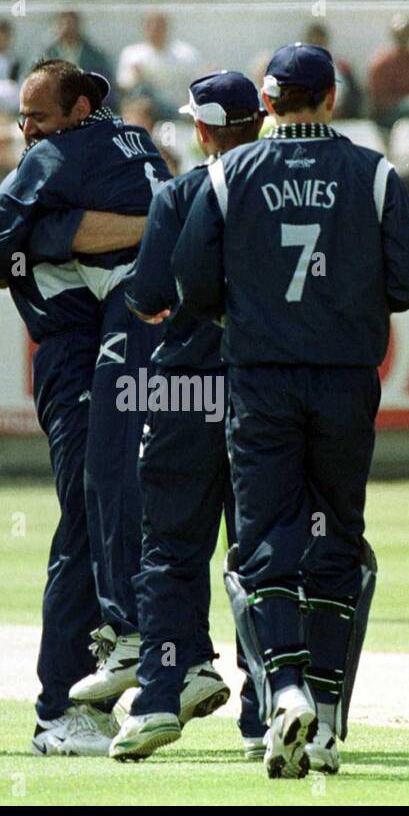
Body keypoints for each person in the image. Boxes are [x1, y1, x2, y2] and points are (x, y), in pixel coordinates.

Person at [173, 44, 409, 778]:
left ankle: (284, 687)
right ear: (332, 98)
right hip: (346, 381)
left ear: (268, 100)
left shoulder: (227, 172)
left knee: (263, 541)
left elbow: (191, 286)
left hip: (260, 379)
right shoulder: (374, 171)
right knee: (337, 541)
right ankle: (323, 706)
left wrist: (252, 316)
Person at [0, 61, 166, 756]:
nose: (26, 130)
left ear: (79, 110)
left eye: (39, 117)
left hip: (97, 346)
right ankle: (58, 706)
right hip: (71, 354)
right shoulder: (97, 156)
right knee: (90, 515)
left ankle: (94, 684)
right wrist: (119, 229)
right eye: (22, 116)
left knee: (109, 510)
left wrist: (68, 230)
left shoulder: (68, 161)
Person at [109, 71, 267, 762]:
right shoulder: (283, 194)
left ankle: (159, 694)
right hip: (267, 391)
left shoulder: (181, 194)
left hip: (184, 390)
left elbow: (145, 296)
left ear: (201, 130)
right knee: (265, 554)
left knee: (170, 548)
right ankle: (267, 707)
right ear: (259, 123)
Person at [116, 12, 200, 121]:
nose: (155, 30)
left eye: (159, 26)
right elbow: (124, 86)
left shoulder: (185, 54)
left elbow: (196, 84)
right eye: (151, 26)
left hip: (176, 109)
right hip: (145, 112)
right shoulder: (132, 54)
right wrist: (136, 76)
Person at [366, 14, 409, 128]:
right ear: (392, 35)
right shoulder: (380, 64)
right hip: (388, 118)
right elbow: (378, 100)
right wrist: (403, 104)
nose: (402, 38)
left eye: (406, 34)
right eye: (399, 35)